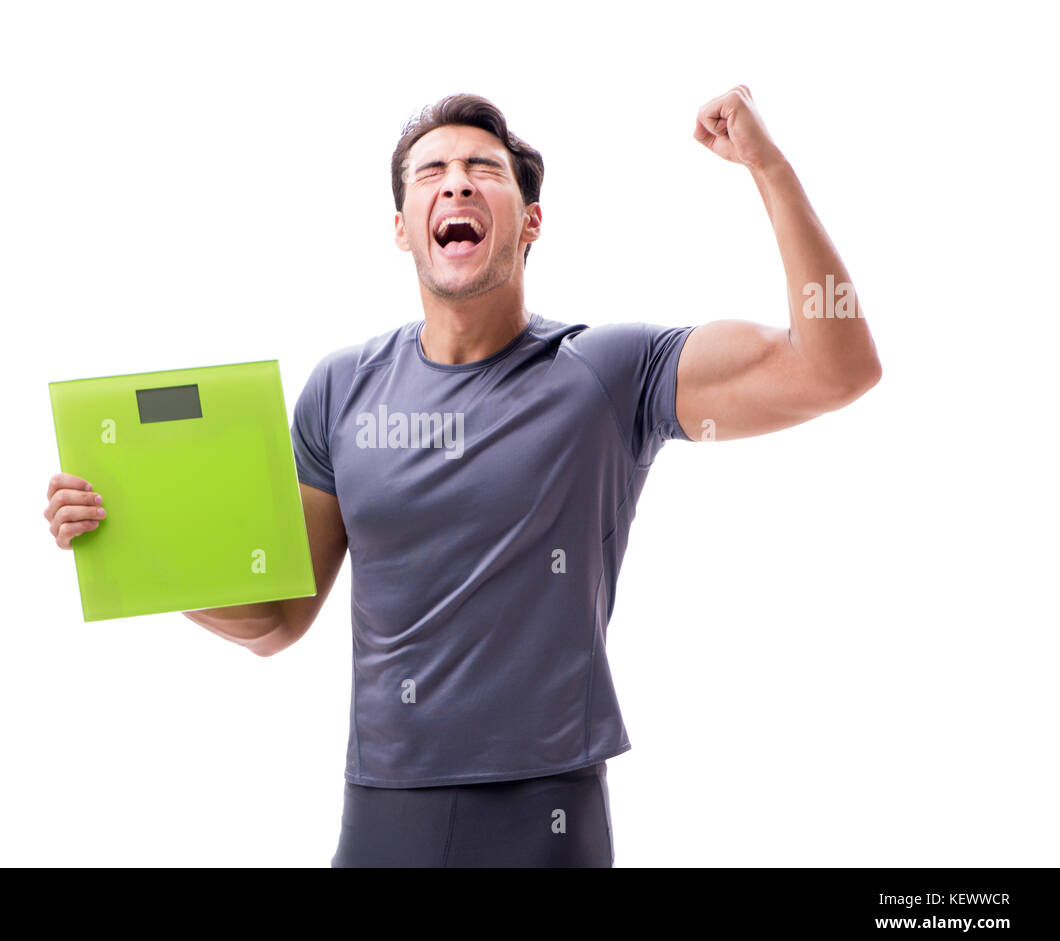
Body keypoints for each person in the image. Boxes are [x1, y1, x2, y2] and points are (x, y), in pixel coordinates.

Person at [44, 88, 881, 867]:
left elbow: (831, 368)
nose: (457, 186)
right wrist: (127, 536)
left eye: (484, 170)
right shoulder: (342, 388)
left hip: (549, 813)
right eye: (430, 174)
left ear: (532, 221)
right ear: (403, 227)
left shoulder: (608, 372)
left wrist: (770, 168)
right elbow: (272, 618)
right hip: (382, 813)